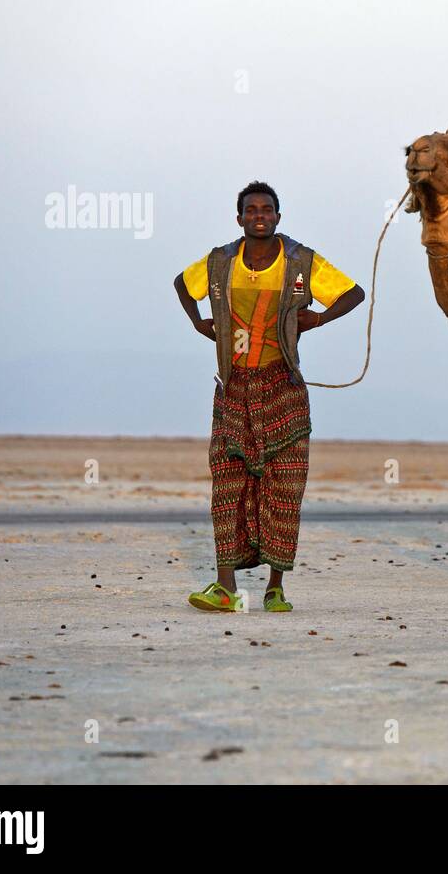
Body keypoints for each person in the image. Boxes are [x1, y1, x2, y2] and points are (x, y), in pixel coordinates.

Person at [173, 181, 364, 612]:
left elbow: (354, 293)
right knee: (228, 485)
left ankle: (275, 588)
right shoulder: (221, 261)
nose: (259, 215)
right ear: (239, 217)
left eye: (267, 209)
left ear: (278, 216)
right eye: (251, 209)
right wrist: (198, 323)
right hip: (233, 386)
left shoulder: (300, 261)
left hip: (284, 388)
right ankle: (225, 588)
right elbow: (182, 285)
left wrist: (317, 319)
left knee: (283, 488)